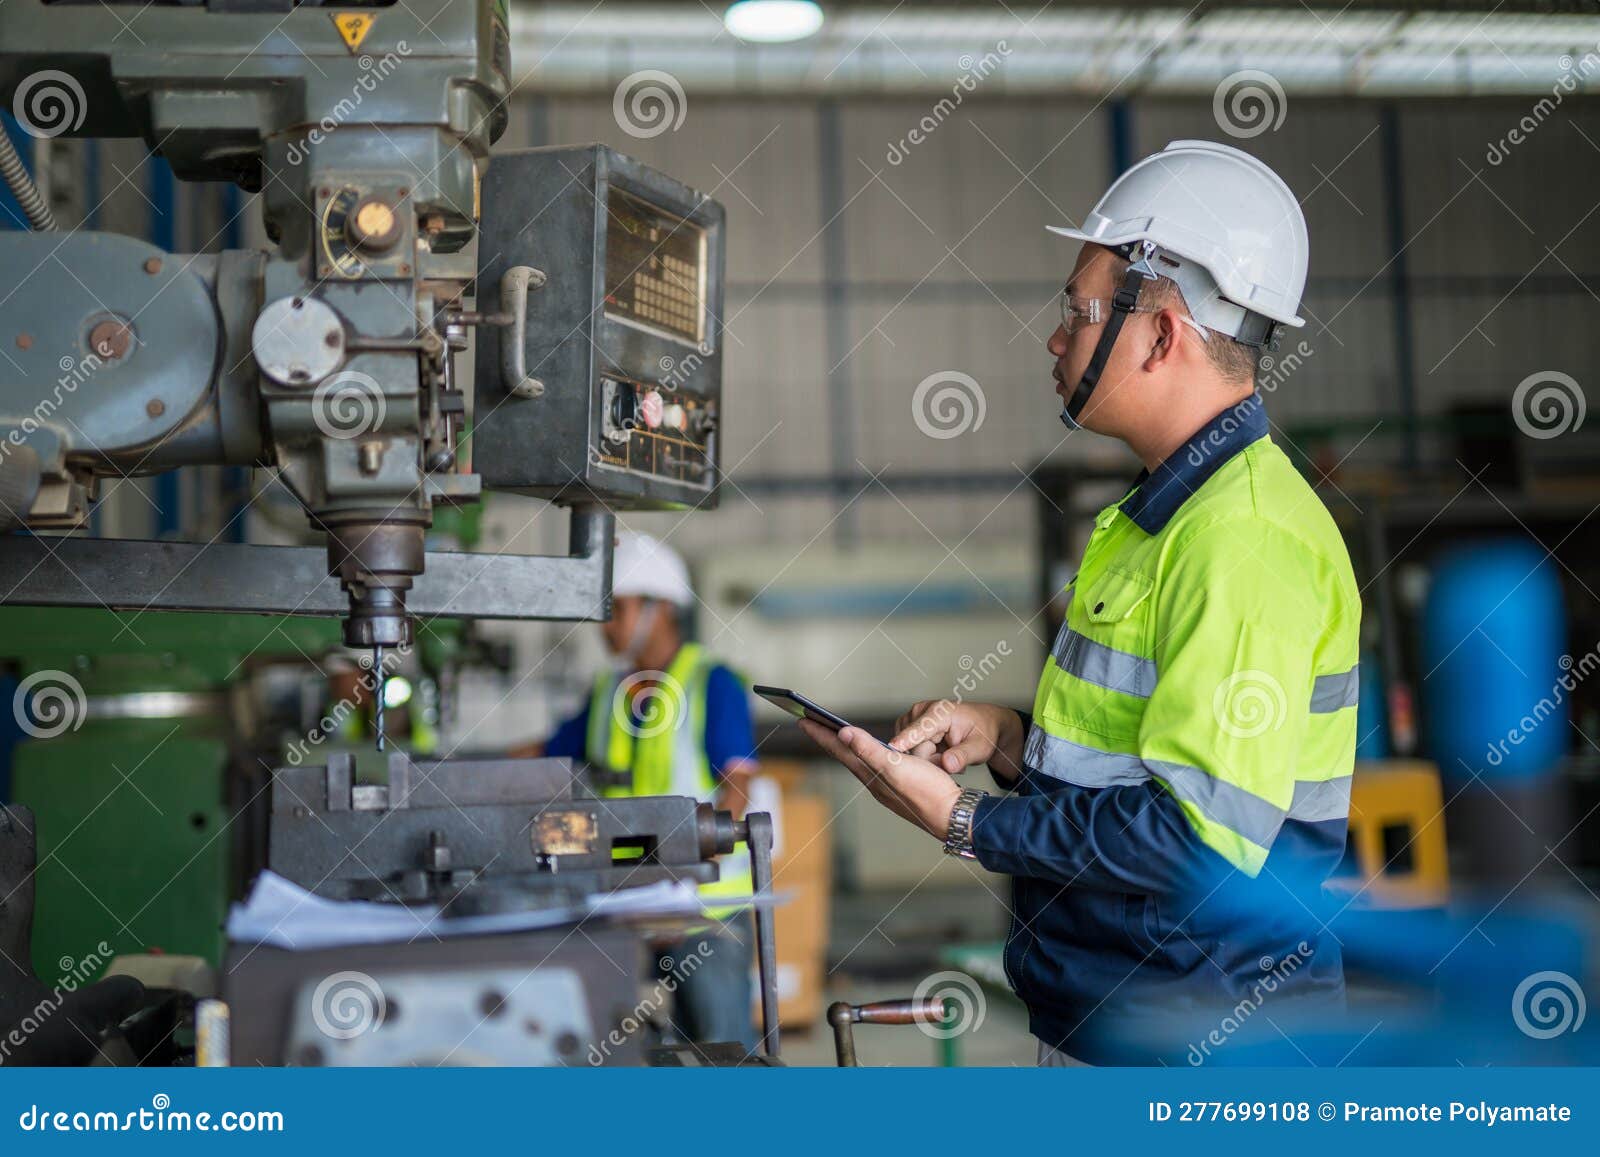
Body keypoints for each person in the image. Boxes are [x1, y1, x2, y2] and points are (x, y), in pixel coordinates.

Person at [800, 141, 1360, 1066]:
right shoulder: (1159, 518)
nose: (1056, 338)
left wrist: (964, 820)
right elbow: (1137, 768)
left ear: (1162, 332)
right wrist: (1009, 739)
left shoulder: (1244, 537)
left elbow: (1196, 844)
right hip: (1122, 1020)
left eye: (1078, 311)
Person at [514, 531, 759, 1052]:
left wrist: (683, 881)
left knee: (722, 1053)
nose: (604, 625)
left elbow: (737, 787)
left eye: (616, 608)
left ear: (659, 608)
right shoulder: (609, 692)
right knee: (620, 1045)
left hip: (703, 915)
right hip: (624, 908)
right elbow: (546, 752)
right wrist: (447, 767)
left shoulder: (711, 684)